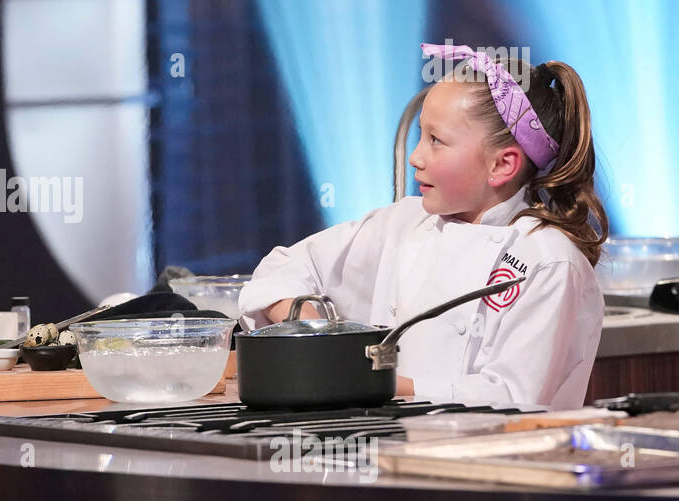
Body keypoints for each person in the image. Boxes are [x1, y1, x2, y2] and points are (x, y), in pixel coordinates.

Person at [238, 42, 608, 410]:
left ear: (502, 165)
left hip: (496, 461)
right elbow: (281, 269)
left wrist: (376, 383)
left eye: (436, 141)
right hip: (390, 451)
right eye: (421, 135)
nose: (416, 157)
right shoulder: (402, 223)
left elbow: (514, 398)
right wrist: (320, 336)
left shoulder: (547, 261)